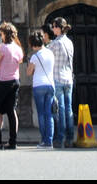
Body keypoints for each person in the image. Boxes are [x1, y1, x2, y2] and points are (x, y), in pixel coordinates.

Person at [0, 21, 23, 150]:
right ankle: (12, 141)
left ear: (4, 34)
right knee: (10, 110)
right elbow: (19, 60)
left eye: (1, 33)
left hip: (3, 81)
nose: (0, 35)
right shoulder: (18, 48)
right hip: (15, 80)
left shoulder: (2, 47)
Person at [49, 16, 75, 150]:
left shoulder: (55, 44)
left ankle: (60, 137)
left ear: (59, 28)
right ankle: (70, 138)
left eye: (54, 26)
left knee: (61, 110)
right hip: (69, 79)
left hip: (58, 78)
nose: (53, 29)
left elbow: (44, 53)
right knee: (69, 108)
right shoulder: (69, 42)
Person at [27, 30, 55, 149]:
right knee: (49, 114)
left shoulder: (35, 56)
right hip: (50, 85)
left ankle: (44, 140)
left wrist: (30, 64)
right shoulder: (50, 53)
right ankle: (49, 140)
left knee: (42, 114)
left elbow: (29, 72)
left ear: (33, 44)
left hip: (39, 85)